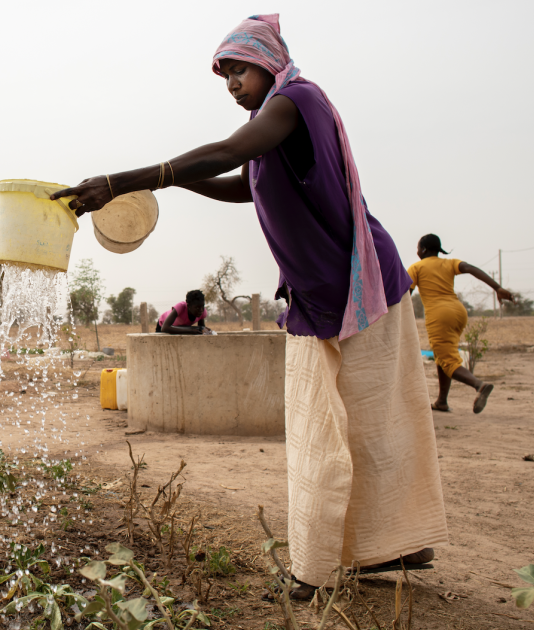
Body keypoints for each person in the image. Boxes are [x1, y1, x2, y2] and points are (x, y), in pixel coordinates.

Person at [52, 14, 448, 599]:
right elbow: (242, 180)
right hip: (325, 293)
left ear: (268, 64)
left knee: (368, 423)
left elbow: (228, 151)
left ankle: (341, 563)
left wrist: (125, 179)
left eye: (238, 71)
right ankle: (363, 550)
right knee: (336, 424)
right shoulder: (273, 130)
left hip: (363, 285)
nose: (232, 84)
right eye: (225, 76)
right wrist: (176, 182)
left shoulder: (296, 101)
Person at [408, 234, 513, 414]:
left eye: (418, 248)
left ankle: (479, 385)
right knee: (444, 354)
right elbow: (470, 268)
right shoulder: (449, 263)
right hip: (458, 312)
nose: (417, 251)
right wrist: (497, 288)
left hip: (439, 315)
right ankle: (442, 401)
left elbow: (405, 296)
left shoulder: (416, 268)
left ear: (423, 249)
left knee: (447, 358)